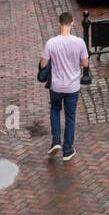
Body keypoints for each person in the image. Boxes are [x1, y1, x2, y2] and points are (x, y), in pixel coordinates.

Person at [40, 11, 87, 161]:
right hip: (72, 86)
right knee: (70, 117)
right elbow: (85, 63)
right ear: (72, 23)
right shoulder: (79, 42)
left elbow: (43, 64)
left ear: (59, 24)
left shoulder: (51, 43)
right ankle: (67, 150)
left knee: (54, 110)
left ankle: (55, 141)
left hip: (56, 86)